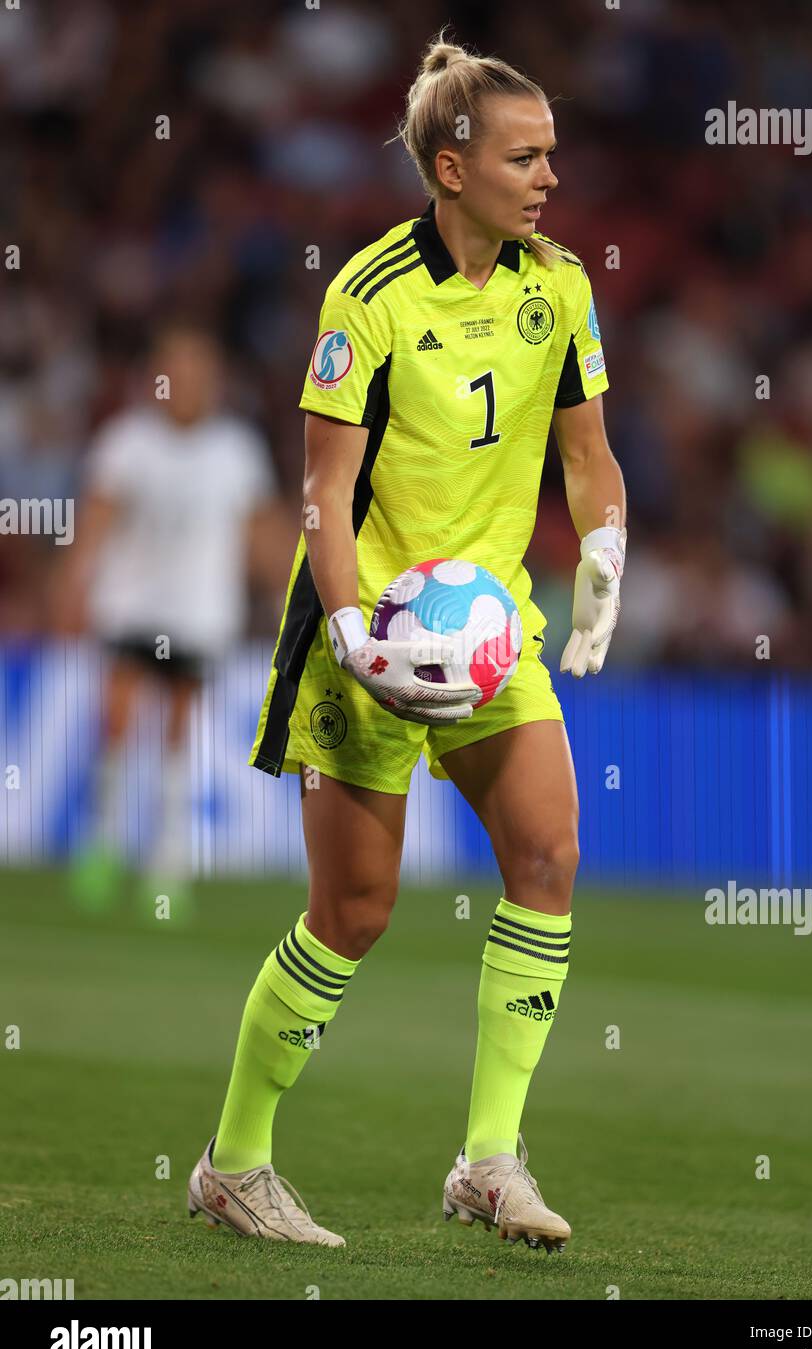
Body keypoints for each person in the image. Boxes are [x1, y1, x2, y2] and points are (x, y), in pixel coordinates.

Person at [187, 32, 627, 1253]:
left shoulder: (560, 288)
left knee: (547, 855)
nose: (549, 177)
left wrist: (603, 557)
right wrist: (346, 627)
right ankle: (234, 1163)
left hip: (490, 633)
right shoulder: (367, 297)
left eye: (553, 154)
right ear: (450, 164)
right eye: (524, 157)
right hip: (365, 629)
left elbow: (588, 461)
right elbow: (324, 490)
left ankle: (490, 1158)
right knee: (356, 912)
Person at [58, 320, 284, 915]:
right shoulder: (128, 441)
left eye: (198, 373)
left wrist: (290, 597)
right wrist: (74, 585)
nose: (187, 383)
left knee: (180, 735)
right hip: (132, 604)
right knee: (116, 725)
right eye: (177, 372)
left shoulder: (235, 450)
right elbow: (96, 521)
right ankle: (101, 846)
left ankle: (168, 860)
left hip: (199, 611)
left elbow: (260, 532)